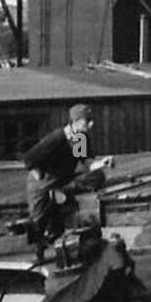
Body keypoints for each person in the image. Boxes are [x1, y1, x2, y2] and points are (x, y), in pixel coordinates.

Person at [22, 103, 112, 251]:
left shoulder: (79, 139)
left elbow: (86, 165)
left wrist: (102, 163)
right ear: (75, 121)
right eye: (87, 120)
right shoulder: (58, 137)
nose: (91, 124)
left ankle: (60, 191)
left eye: (91, 120)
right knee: (37, 224)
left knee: (97, 177)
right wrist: (41, 179)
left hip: (64, 179)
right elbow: (29, 160)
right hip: (43, 181)